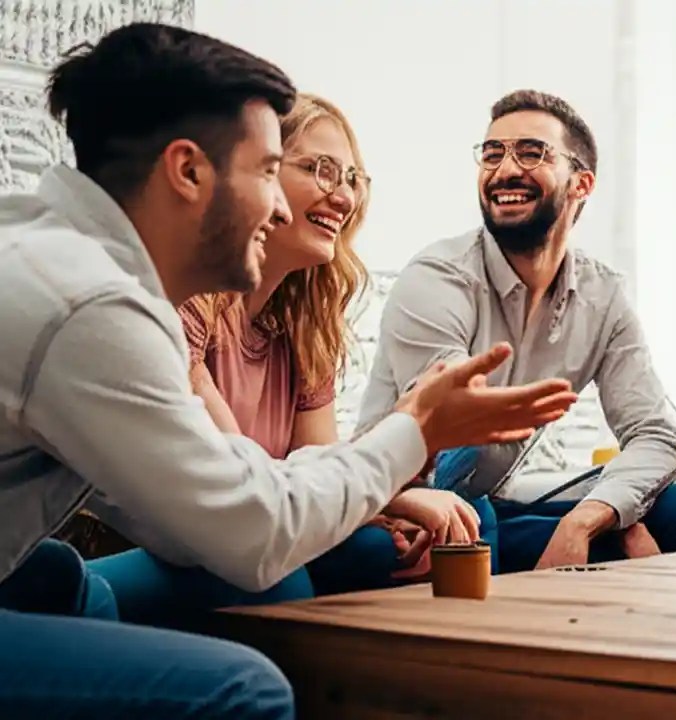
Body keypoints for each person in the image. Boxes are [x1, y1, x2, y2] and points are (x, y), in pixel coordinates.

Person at [0, 23, 575, 719]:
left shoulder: (56, 253)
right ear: (187, 172)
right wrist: (415, 429)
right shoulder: (91, 305)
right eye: (271, 171)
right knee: (246, 690)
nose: (278, 206)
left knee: (61, 580)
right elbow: (253, 535)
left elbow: (198, 520)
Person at [87, 93, 495, 623]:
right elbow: (238, 488)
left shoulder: (305, 329)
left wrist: (390, 506)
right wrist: (391, 492)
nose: (342, 196)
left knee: (429, 535)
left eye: (352, 179)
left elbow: (321, 477)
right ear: (256, 176)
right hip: (171, 544)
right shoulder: (186, 306)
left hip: (255, 531)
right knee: (277, 578)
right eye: (320, 170)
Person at [356, 89, 676, 574]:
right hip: (405, 501)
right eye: (492, 154)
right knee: (470, 515)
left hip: (486, 502)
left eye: (531, 152)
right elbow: (455, 432)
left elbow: (656, 434)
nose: (505, 170)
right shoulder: (436, 277)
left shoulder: (602, 297)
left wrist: (593, 518)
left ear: (581, 184)